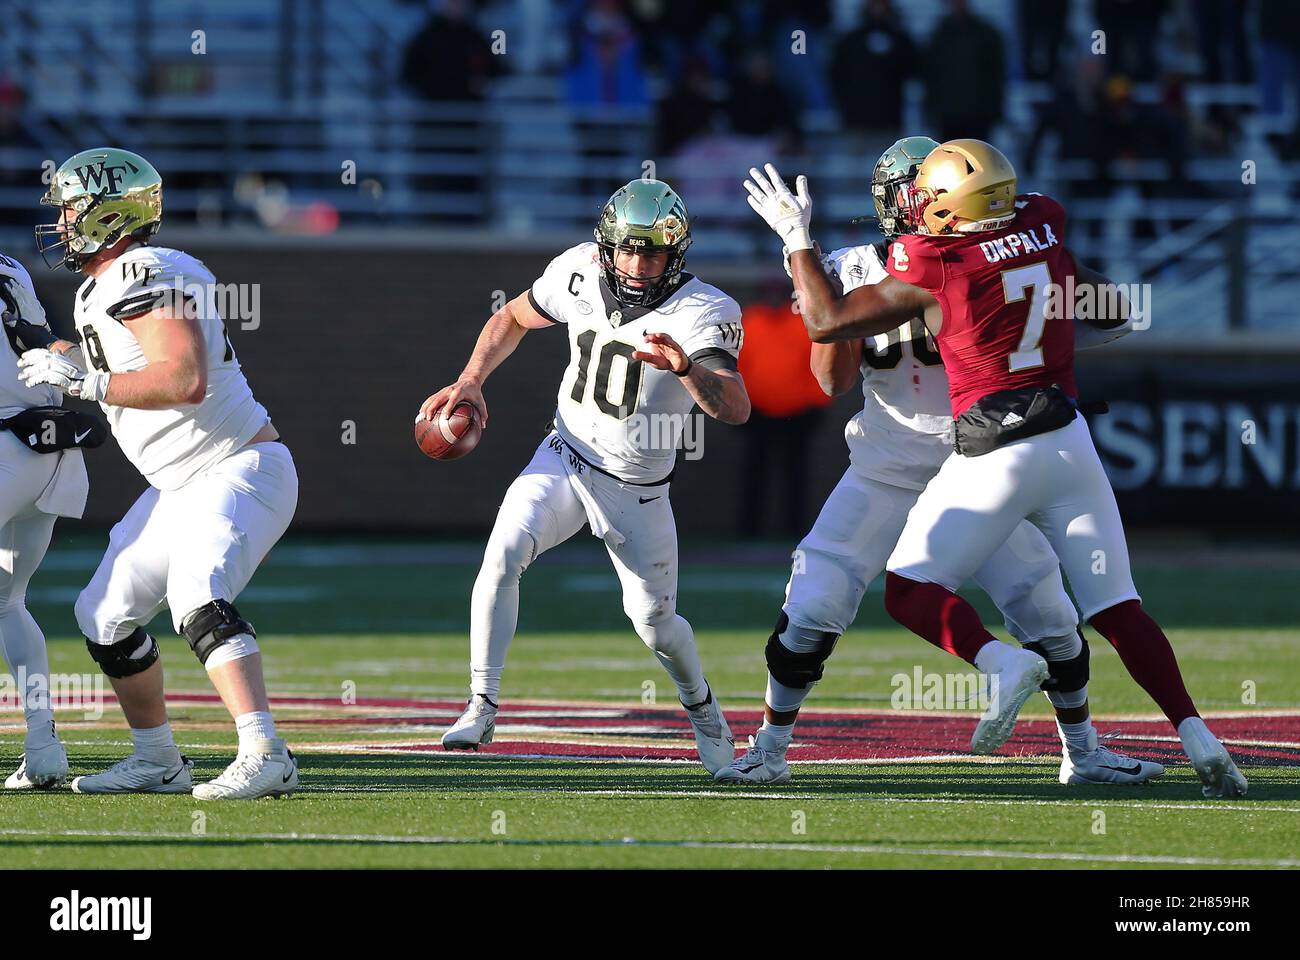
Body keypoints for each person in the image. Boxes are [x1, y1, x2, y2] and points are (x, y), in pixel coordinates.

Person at [748, 138, 1243, 798]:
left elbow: (1093, 308)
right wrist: (827, 296)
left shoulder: (960, 249)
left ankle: (1084, 749)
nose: (914, 202)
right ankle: (771, 745)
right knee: (812, 603)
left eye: (924, 188)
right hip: (890, 467)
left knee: (1052, 620)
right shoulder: (860, 263)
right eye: (906, 191)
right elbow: (831, 378)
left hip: (979, 458)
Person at [419, 179, 749, 774]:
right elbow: (512, 317)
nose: (636, 264)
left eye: (651, 252)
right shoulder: (576, 269)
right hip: (565, 455)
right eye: (626, 249)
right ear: (605, 245)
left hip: (638, 488)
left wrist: (687, 371)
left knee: (656, 625)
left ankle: (704, 712)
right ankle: (482, 703)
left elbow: (735, 407)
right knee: (504, 551)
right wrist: (471, 380)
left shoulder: (706, 309)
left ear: (676, 255)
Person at [21, 148, 299, 799]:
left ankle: (267, 751)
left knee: (197, 596)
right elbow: (102, 355)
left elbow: (185, 378)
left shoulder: (143, 269)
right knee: (103, 615)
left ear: (108, 212)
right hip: (181, 484)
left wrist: (86, 383)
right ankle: (159, 760)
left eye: (71, 209)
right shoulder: (110, 281)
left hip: (236, 467)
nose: (61, 222)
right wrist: (41, 350)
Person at [0, 251, 95, 789]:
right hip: (51, 447)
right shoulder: (11, 267)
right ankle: (43, 747)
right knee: (7, 601)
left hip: (6, 446)